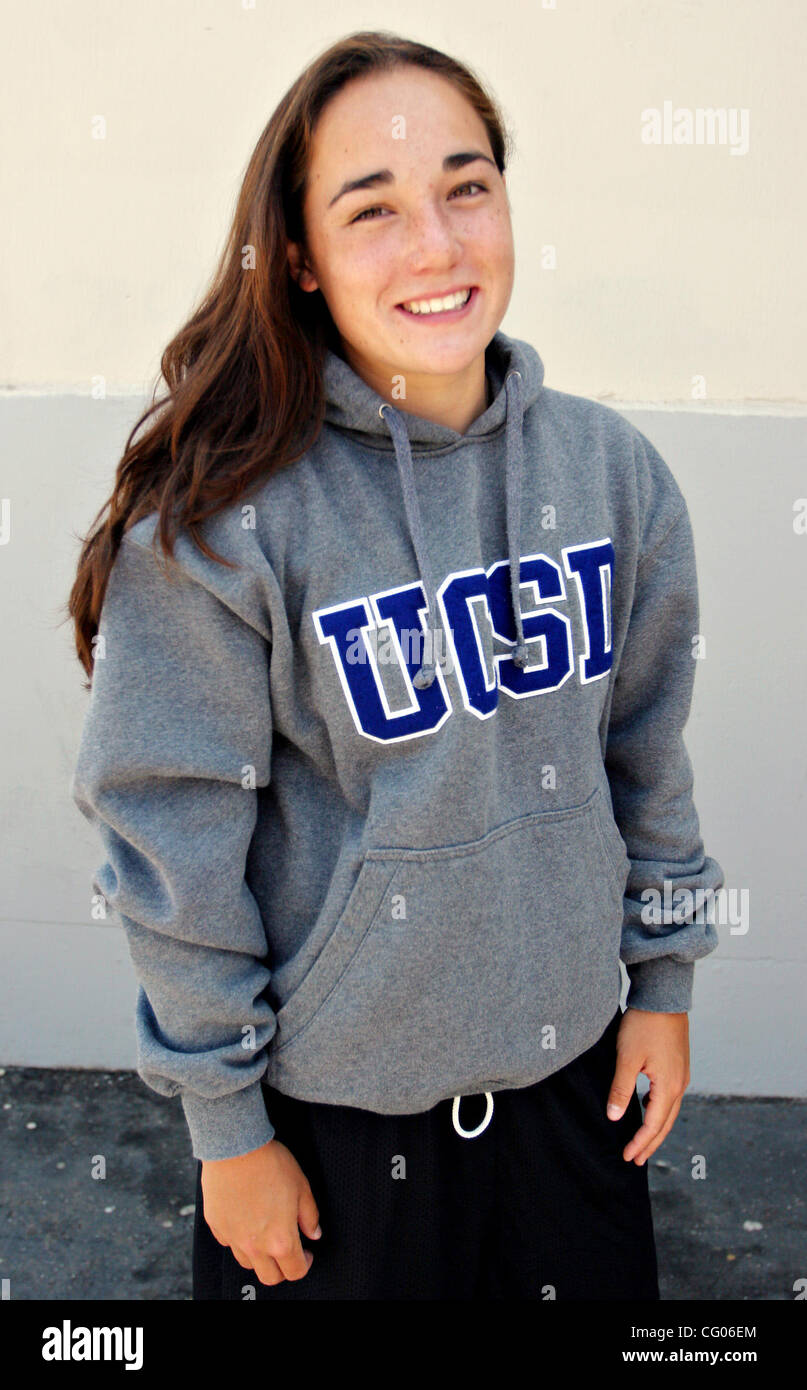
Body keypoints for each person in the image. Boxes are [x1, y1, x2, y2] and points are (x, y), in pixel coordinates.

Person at [67, 31, 724, 1301]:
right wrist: (228, 1129)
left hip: (570, 1099)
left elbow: (647, 752)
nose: (435, 244)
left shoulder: (609, 474)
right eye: (372, 209)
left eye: (465, 187)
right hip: (332, 1141)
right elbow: (173, 849)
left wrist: (664, 978)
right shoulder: (220, 521)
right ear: (300, 256)